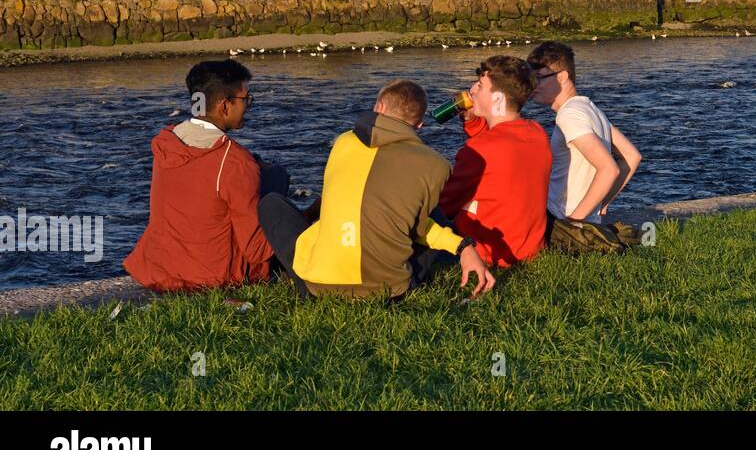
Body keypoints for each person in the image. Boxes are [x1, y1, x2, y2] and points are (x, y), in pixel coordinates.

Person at [258, 79, 494, 300]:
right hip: (390, 291)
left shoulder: (343, 142)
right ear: (419, 125)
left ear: (379, 107)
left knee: (271, 203)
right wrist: (462, 246)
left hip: (316, 287)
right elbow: (419, 229)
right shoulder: (436, 165)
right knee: (432, 215)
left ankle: (286, 267)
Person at [124, 60, 289, 291]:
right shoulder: (234, 162)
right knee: (277, 177)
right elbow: (256, 250)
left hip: (160, 269)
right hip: (211, 277)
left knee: (265, 173)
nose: (248, 106)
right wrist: (305, 219)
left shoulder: (167, 141)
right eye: (245, 100)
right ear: (224, 106)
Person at [438, 56, 551, 268]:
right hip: (529, 248)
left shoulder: (479, 149)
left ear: (497, 98)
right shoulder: (537, 133)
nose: (472, 90)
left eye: (480, 86)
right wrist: (473, 123)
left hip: (491, 252)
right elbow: (501, 144)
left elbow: (445, 205)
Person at [527, 41, 641, 224]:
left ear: (562, 77)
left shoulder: (569, 115)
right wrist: (601, 204)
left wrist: (573, 223)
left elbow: (609, 168)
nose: (532, 85)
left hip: (560, 217)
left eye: (539, 78)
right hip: (586, 219)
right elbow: (631, 156)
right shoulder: (589, 108)